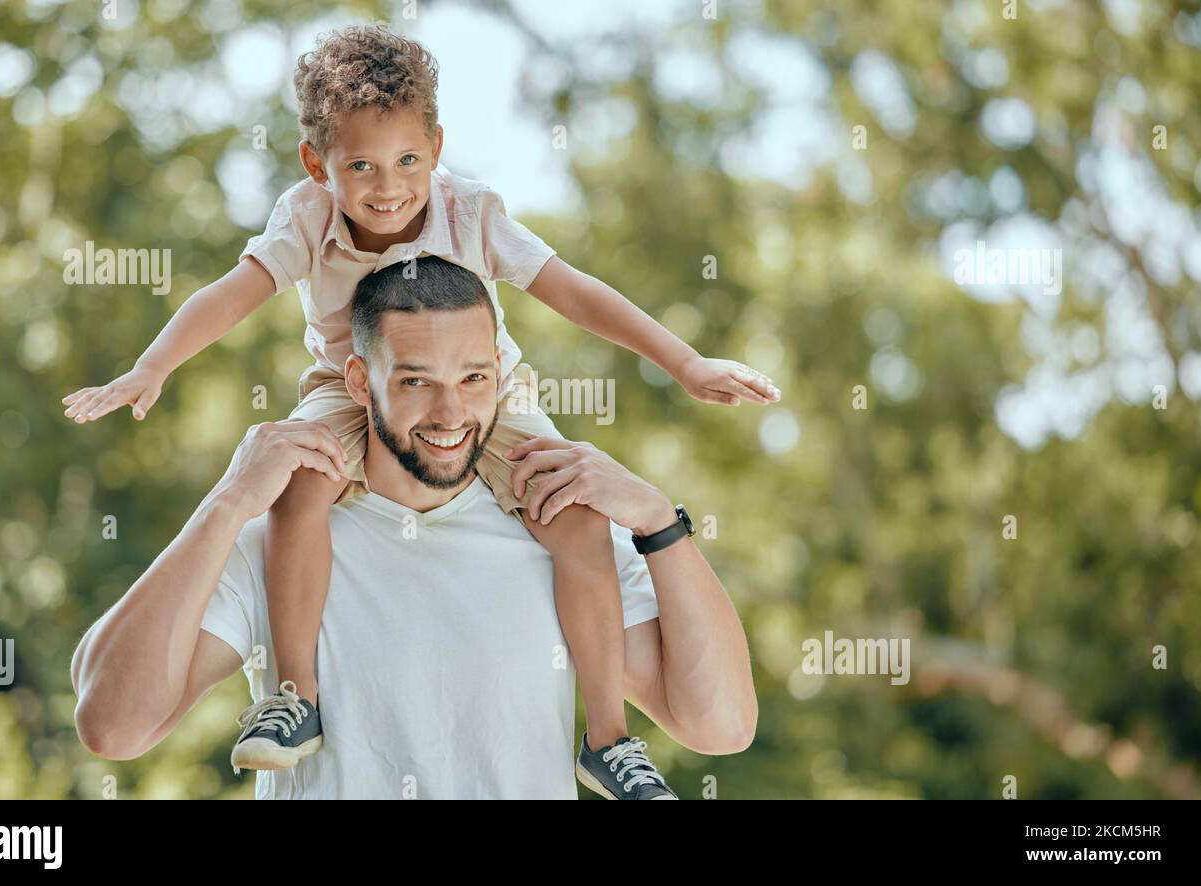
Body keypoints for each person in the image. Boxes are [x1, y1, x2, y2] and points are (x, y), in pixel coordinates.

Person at [61, 23, 777, 796]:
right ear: (318, 166)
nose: (388, 185)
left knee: (574, 514)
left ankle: (607, 735)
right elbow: (231, 296)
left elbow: (571, 289)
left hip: (510, 400)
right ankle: (294, 697)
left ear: (436, 148)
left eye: (407, 160)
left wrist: (682, 379)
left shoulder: (468, 213)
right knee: (302, 487)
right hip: (336, 395)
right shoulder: (307, 222)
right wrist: (155, 372)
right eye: (360, 166)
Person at [70, 257, 757, 799]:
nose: (451, 411)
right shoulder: (278, 544)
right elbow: (112, 722)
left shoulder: (560, 534)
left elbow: (721, 724)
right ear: (360, 379)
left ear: (503, 372)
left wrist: (661, 523)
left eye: (475, 378)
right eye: (415, 382)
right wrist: (226, 501)